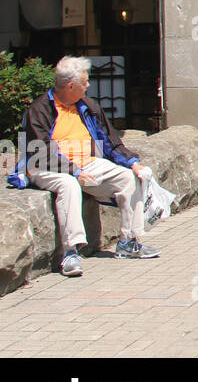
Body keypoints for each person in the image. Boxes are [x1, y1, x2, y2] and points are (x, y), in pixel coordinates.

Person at [8, 56, 159, 276]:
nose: (88, 86)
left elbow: (110, 140)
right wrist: (75, 172)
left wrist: (133, 163)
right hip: (47, 167)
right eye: (85, 82)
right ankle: (70, 252)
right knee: (69, 185)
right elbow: (41, 153)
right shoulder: (39, 110)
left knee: (129, 177)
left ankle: (128, 242)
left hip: (87, 163)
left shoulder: (87, 106)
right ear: (71, 86)